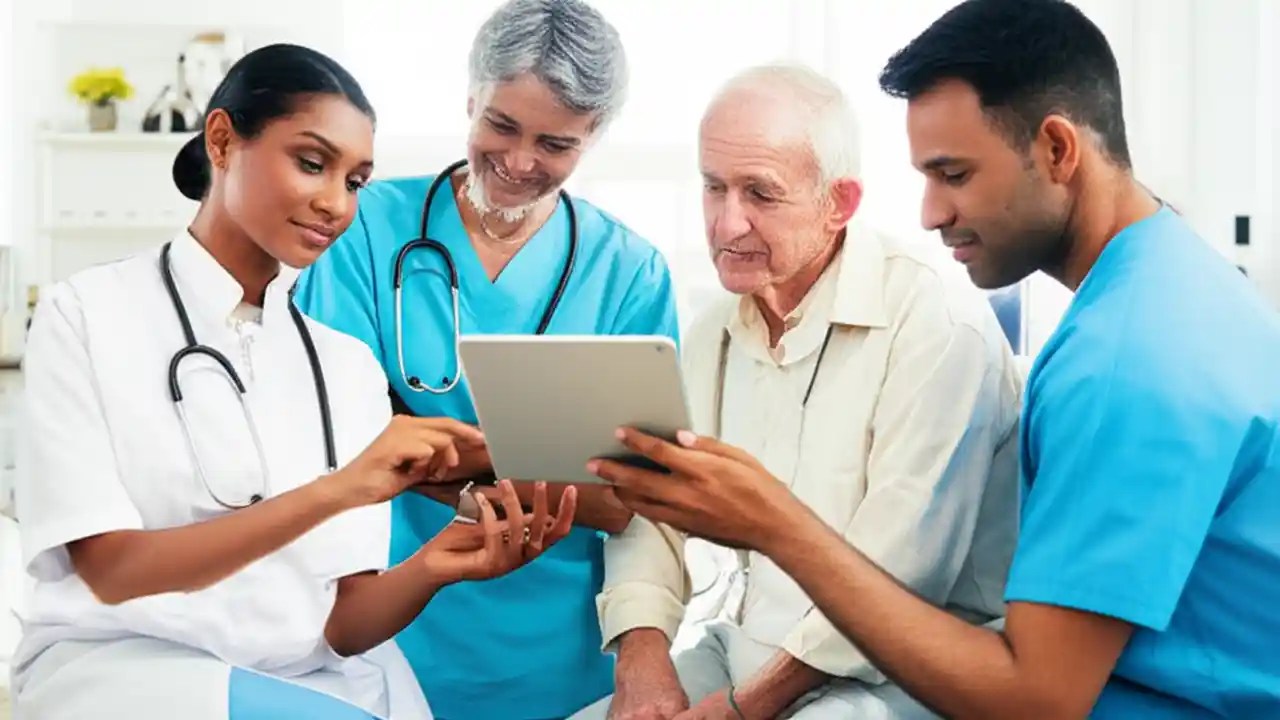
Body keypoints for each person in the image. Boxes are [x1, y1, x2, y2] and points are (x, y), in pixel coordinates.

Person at [589, 1, 1280, 718]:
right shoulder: (1167, 289)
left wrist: (774, 523)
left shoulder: (1126, 362)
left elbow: (1036, 700)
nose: (929, 213)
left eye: (954, 174)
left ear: (1057, 150)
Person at [10, 43, 576, 720]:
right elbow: (112, 571)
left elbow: (343, 625)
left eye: (357, 181)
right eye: (312, 163)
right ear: (222, 140)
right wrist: (335, 491)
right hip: (131, 668)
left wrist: (436, 566)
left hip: (312, 680)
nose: (336, 204)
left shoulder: (343, 365)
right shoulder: (87, 316)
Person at [574, 63, 1022, 720]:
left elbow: (898, 582)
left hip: (901, 677)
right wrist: (642, 662)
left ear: (838, 203)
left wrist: (740, 708)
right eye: (713, 187)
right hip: (748, 652)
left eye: (760, 194)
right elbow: (651, 512)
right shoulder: (713, 331)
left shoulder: (937, 326)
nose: (727, 226)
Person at [291, 1, 681, 717]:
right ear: (470, 98)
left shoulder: (631, 272)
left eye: (556, 144)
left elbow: (632, 499)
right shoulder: (365, 229)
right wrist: (526, 475)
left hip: (561, 648)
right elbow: (333, 440)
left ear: (594, 137)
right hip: (388, 623)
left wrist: (439, 456)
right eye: (501, 125)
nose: (520, 161)